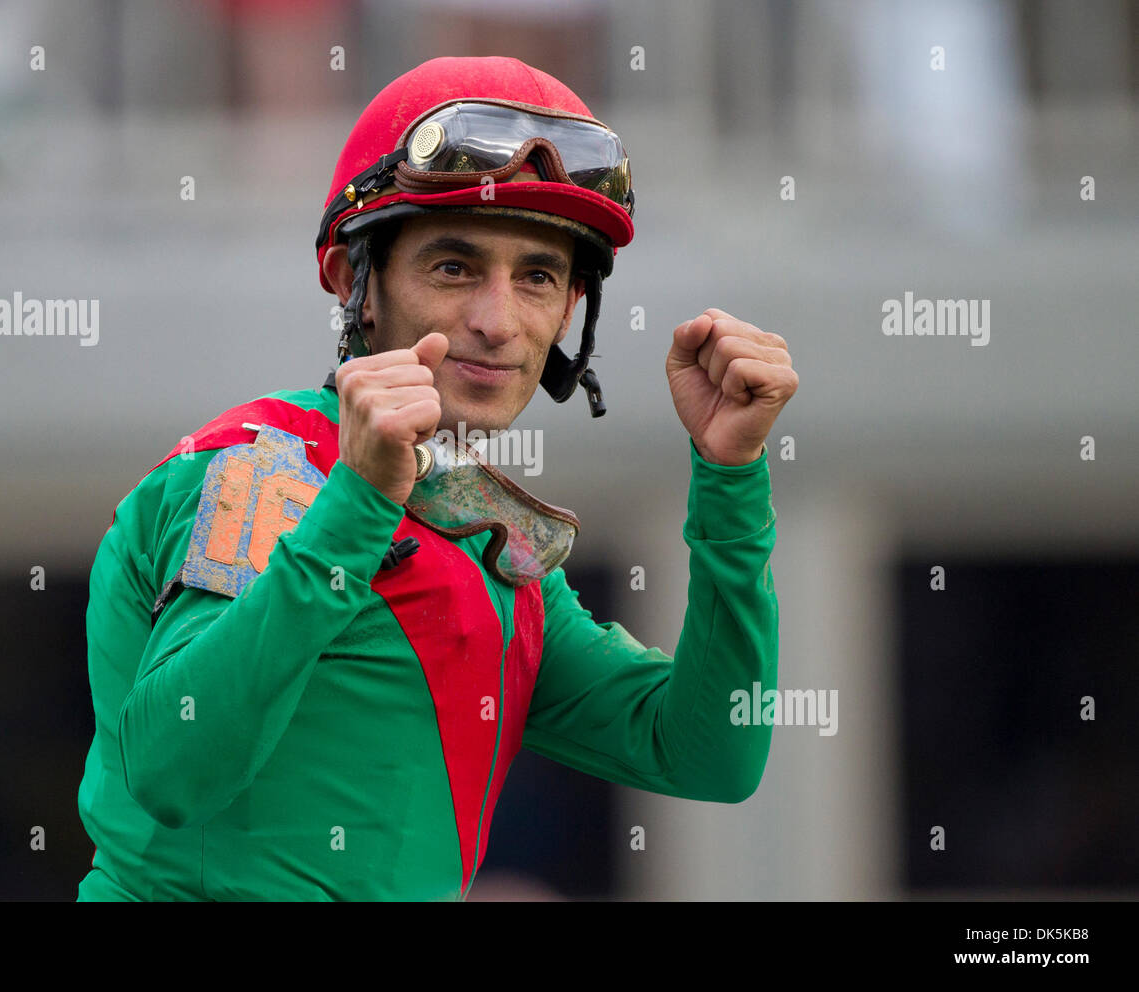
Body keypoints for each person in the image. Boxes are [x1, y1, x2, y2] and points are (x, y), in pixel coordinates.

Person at [76, 55, 798, 901]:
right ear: (356, 283)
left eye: (537, 276)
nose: (497, 322)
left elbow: (710, 752)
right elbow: (170, 770)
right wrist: (356, 503)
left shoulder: (485, 539)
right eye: (454, 268)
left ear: (568, 310)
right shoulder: (259, 462)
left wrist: (730, 475)